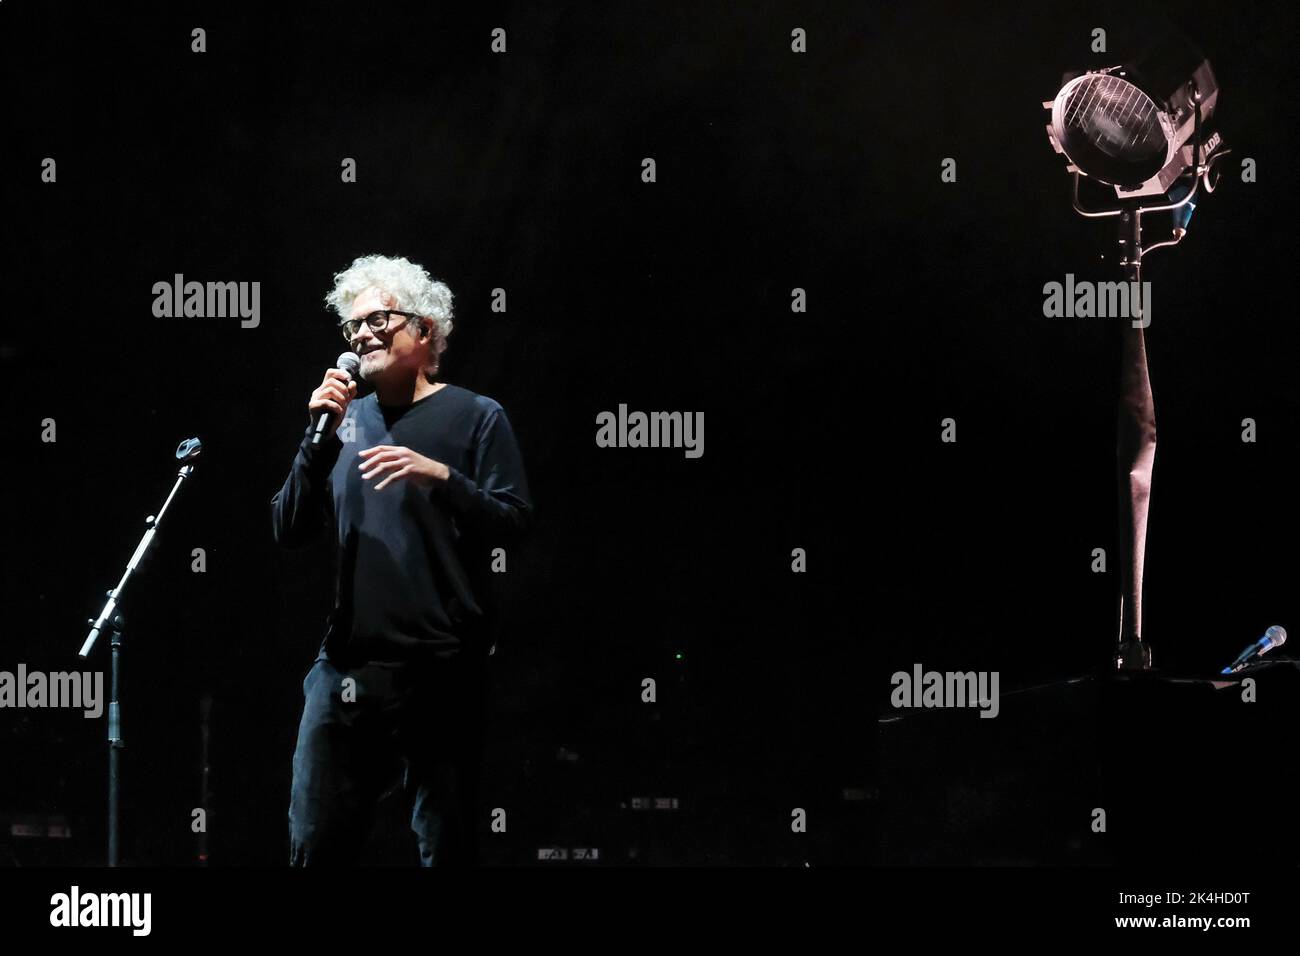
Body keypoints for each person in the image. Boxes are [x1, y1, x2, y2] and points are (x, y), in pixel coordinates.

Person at [271, 254, 534, 865]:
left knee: (444, 847)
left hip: (439, 672)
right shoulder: (340, 423)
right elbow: (287, 527)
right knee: (314, 843)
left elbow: (516, 521)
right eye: (353, 325)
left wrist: (442, 477)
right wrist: (316, 439)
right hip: (345, 670)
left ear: (426, 330)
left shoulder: (475, 416)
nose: (361, 334)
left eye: (378, 319)